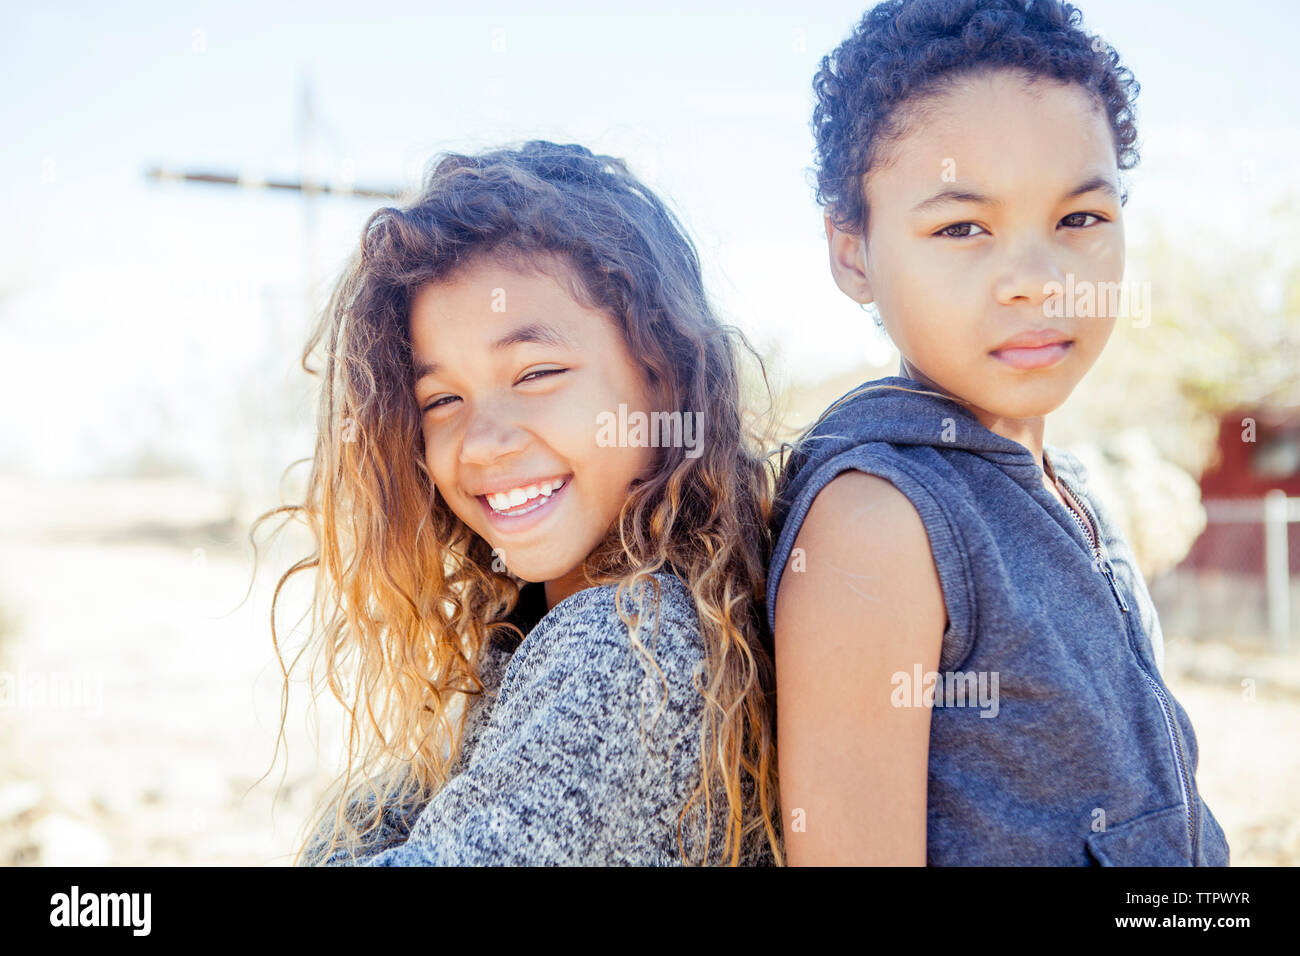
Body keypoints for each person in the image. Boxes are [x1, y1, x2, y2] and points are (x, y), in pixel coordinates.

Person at [769, 0, 1230, 865]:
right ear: (852, 253)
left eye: (1080, 218)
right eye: (961, 228)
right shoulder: (879, 523)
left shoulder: (1076, 492)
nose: (1036, 279)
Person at [252, 141, 783, 866]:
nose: (484, 443)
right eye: (441, 399)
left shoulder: (629, 647)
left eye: (535, 373)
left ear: (665, 377)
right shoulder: (548, 620)